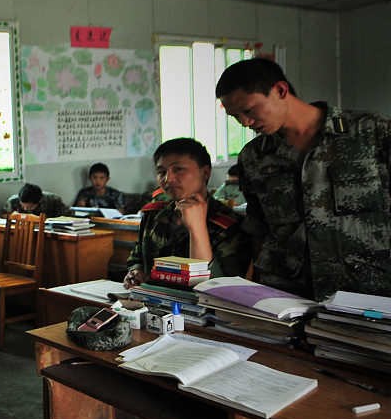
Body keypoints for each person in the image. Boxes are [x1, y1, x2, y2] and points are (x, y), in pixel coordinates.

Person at [216, 58, 391, 300]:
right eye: (236, 117)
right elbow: (258, 228)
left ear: (280, 90)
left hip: (366, 289)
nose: (245, 123)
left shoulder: (372, 132)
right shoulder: (254, 156)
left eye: (248, 110)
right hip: (289, 293)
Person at [124, 138, 250, 289]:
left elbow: (220, 288)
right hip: (152, 302)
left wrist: (197, 228)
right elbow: (138, 256)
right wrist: (135, 271)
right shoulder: (153, 214)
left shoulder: (230, 225)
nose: (168, 179)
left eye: (178, 169)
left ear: (205, 172)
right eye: (161, 172)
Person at [2, 183, 70, 218]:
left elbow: (67, 217)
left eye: (30, 207)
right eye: (23, 206)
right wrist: (13, 216)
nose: (25, 209)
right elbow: (4, 214)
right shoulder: (14, 200)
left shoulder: (53, 200)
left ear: (40, 200)